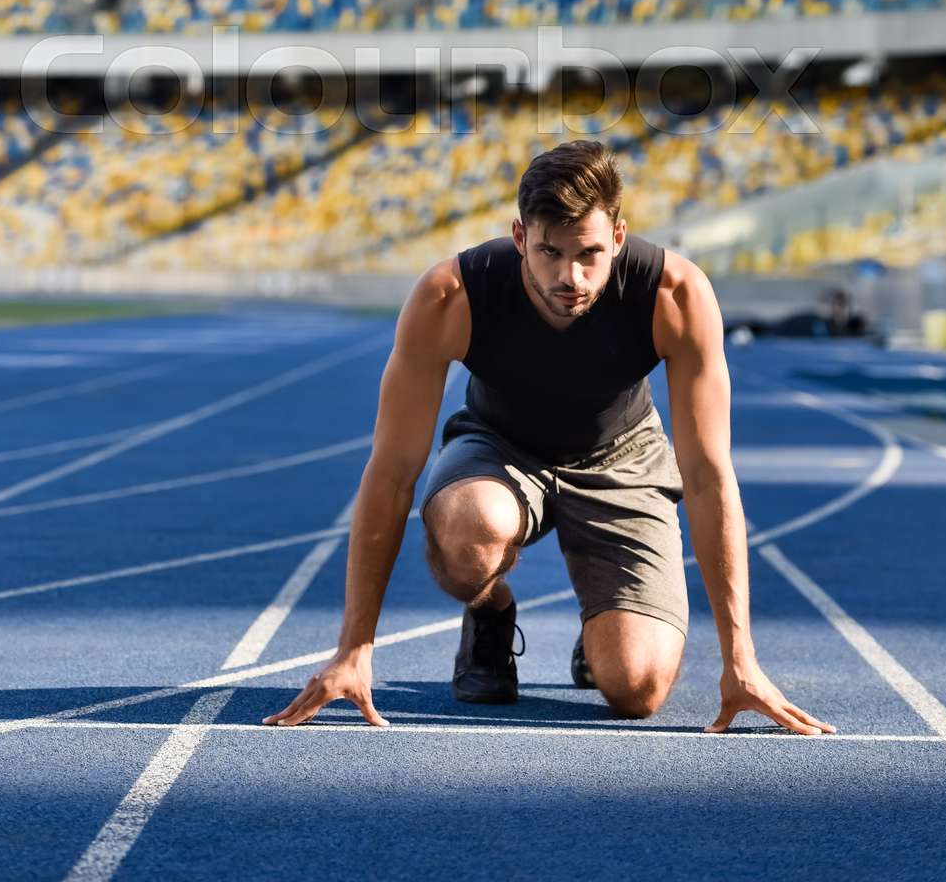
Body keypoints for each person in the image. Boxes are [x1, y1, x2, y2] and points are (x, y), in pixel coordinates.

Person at [264, 140, 836, 737]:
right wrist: (355, 647)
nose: (570, 277)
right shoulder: (452, 296)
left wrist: (740, 661)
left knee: (636, 689)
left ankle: (604, 633)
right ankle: (491, 613)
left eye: (589, 253)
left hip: (623, 457)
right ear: (519, 238)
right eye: (549, 253)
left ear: (618, 236)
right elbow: (391, 469)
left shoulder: (675, 295)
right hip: (499, 444)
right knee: (468, 531)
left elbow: (709, 473)